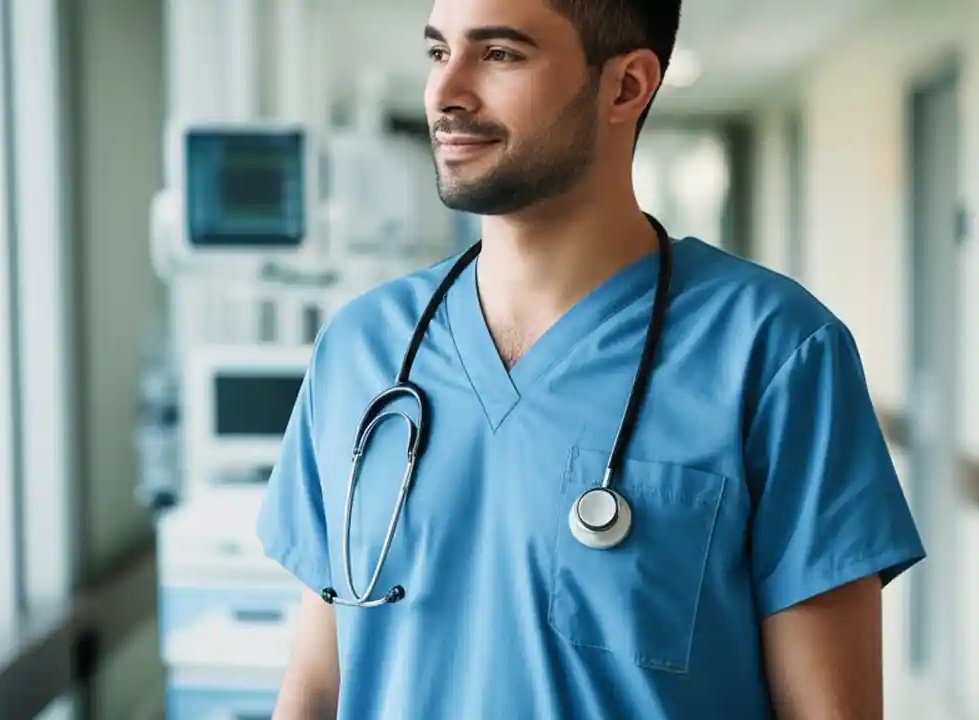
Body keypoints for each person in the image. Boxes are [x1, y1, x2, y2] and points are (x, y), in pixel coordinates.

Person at [256, 0, 926, 716]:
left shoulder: (775, 353)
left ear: (627, 86)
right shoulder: (361, 349)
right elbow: (316, 684)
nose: (445, 93)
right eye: (436, 52)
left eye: (500, 54)